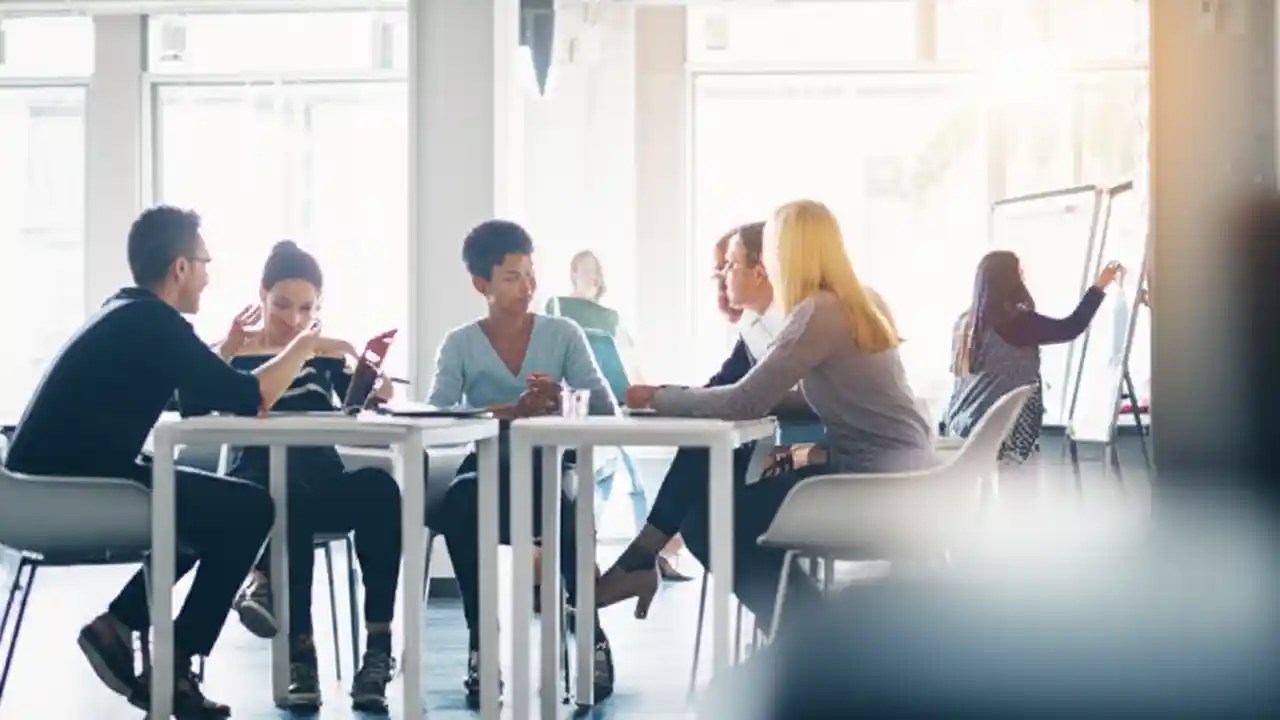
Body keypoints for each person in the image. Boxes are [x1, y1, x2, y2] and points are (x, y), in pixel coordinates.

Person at [1, 206, 322, 718]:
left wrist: (226, 351)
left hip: (41, 479)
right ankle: (173, 663)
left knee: (209, 508)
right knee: (250, 509)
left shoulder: (128, 312)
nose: (208, 275)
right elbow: (252, 396)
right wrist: (305, 347)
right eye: (204, 262)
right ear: (180, 268)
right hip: (66, 488)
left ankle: (121, 627)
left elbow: (194, 400)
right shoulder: (156, 324)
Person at [605, 200, 936, 634]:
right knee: (726, 464)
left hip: (860, 476)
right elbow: (839, 397)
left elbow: (743, 403)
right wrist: (776, 397)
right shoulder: (857, 301)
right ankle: (644, 556)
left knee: (705, 517)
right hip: (882, 462)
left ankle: (810, 635)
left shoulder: (816, 311)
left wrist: (659, 397)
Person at [179, 241, 402, 713]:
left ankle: (377, 652)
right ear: (261, 295)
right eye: (282, 305)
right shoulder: (235, 357)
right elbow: (191, 402)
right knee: (288, 492)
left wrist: (362, 367)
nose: (293, 320)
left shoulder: (321, 359)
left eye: (306, 308)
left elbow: (377, 395)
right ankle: (301, 653)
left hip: (321, 483)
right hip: (260, 491)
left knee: (381, 489)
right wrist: (228, 347)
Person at [425, 219, 619, 707]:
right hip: (488, 472)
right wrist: (509, 411)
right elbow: (437, 416)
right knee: (459, 503)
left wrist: (563, 398)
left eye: (531, 274)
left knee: (569, 505)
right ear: (481, 285)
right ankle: (481, 643)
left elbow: (606, 409)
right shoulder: (460, 343)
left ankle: (590, 633)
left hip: (551, 471)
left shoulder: (564, 333)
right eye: (512, 276)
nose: (528, 287)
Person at [944, 250, 1120, 462]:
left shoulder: (965, 322)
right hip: (999, 431)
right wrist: (1099, 286)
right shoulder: (1015, 322)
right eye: (1019, 273)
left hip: (959, 423)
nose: (1024, 278)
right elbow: (1070, 328)